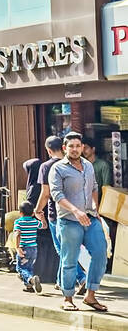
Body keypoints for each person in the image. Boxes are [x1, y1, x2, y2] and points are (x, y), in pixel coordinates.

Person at [50, 132, 109, 313]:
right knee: (70, 259)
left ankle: (90, 296)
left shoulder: (89, 166)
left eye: (78, 146)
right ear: (64, 148)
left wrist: (95, 208)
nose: (75, 149)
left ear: (82, 147)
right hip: (69, 221)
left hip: (90, 218)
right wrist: (75, 210)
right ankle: (68, 298)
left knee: (100, 253)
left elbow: (94, 188)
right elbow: (57, 194)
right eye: (71, 146)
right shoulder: (58, 168)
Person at [34, 135, 83, 293]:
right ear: (63, 147)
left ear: (48, 150)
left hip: (58, 214)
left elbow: (46, 193)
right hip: (77, 212)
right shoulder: (77, 163)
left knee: (63, 250)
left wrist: (37, 210)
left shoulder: (47, 166)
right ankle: (60, 281)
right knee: (68, 248)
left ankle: (82, 278)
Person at [13, 200, 43, 294]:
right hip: (34, 249)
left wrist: (17, 247)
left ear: (20, 213)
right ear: (32, 213)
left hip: (24, 249)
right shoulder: (34, 221)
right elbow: (44, 226)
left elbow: (17, 234)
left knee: (20, 268)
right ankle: (29, 287)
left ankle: (31, 280)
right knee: (29, 268)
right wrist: (41, 218)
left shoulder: (18, 222)